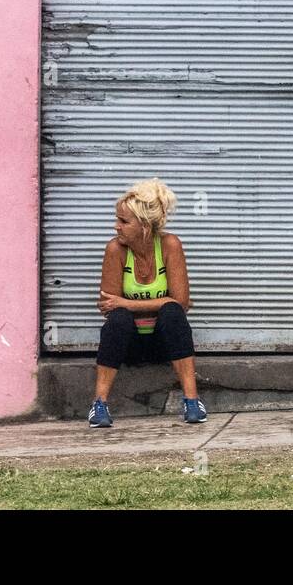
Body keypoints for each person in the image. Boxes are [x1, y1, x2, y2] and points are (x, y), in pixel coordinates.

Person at [87, 178, 207, 427]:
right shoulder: (115, 250)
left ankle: (193, 401)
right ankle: (99, 405)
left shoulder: (169, 245)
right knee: (118, 319)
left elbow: (181, 302)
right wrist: (150, 303)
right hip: (130, 345)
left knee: (172, 313)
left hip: (164, 343)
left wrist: (129, 304)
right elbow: (108, 305)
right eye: (117, 219)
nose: (116, 226)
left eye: (123, 221)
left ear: (143, 225)